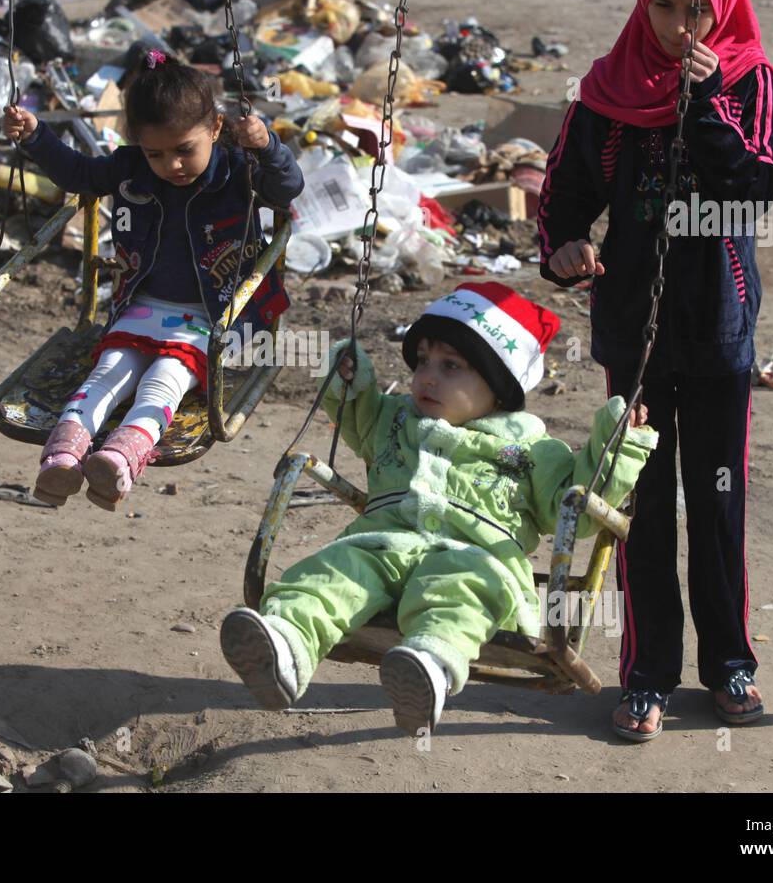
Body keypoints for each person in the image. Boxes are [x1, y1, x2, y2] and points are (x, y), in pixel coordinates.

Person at [536, 0, 773, 741]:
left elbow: (755, 187)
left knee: (718, 505)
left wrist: (705, 106)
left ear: (724, 8)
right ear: (643, 2)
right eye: (666, 6)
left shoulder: (747, 84)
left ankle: (730, 666)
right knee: (638, 508)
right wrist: (566, 248)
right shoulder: (608, 93)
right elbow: (565, 199)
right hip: (634, 343)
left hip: (718, 330)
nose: (682, 28)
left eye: (698, 11)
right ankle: (646, 675)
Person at [220, 283, 658, 735]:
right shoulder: (395, 418)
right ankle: (285, 648)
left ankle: (428, 666)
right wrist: (348, 376)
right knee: (333, 570)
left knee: (459, 592)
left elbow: (581, 506)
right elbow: (358, 409)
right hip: (382, 543)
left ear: (500, 388)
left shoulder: (533, 450)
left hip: (479, 558)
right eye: (423, 361)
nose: (427, 376)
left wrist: (618, 442)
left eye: (451, 366)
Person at [4, 50, 303, 511]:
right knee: (106, 373)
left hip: (211, 316)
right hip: (141, 307)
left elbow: (287, 188)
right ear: (139, 146)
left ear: (216, 130)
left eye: (185, 150)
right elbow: (79, 174)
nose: (172, 165)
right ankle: (62, 459)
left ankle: (120, 458)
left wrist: (266, 147)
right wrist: (37, 136)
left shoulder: (236, 170)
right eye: (156, 154)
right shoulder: (131, 169)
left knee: (165, 379)